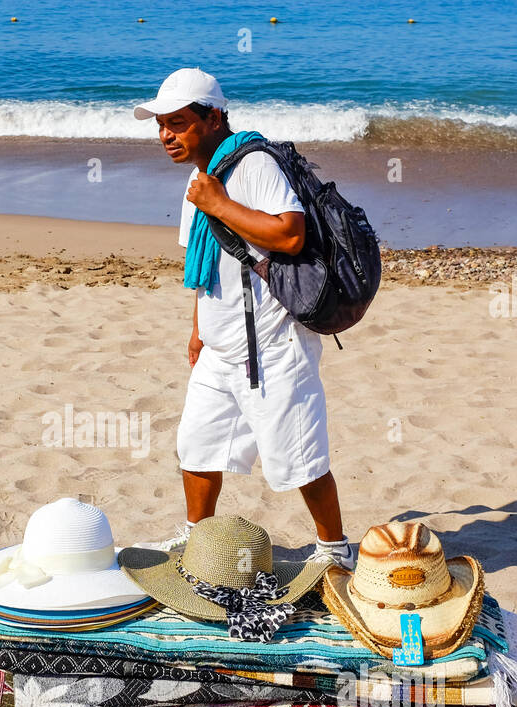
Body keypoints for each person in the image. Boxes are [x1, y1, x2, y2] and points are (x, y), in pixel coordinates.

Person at [133, 67, 353, 569]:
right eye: (161, 124)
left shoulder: (253, 165)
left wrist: (220, 203)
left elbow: (290, 234)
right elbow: (206, 266)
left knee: (298, 458)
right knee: (197, 447)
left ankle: (334, 549)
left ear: (212, 118)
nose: (166, 134)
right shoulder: (199, 177)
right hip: (220, 346)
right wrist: (197, 332)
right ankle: (197, 539)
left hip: (272, 345)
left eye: (177, 122)